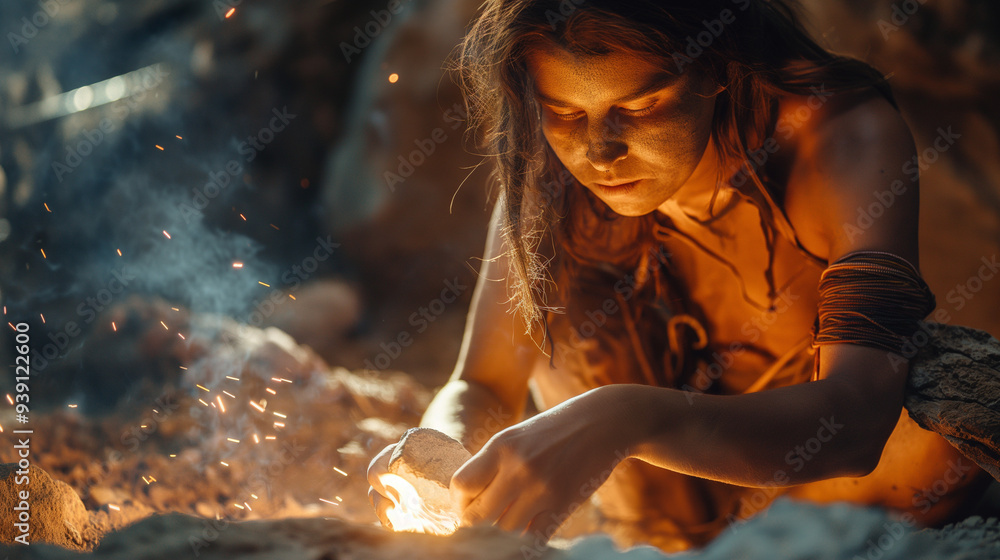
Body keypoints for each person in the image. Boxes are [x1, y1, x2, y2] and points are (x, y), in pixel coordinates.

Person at [368, 0, 988, 551]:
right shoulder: (550, 172)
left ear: (718, 66)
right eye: (563, 110)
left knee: (930, 410)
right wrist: (443, 456)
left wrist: (624, 418)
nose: (600, 151)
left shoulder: (840, 140)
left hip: (833, 492)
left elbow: (856, 420)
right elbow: (480, 383)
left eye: (639, 106)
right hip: (660, 517)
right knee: (553, 268)